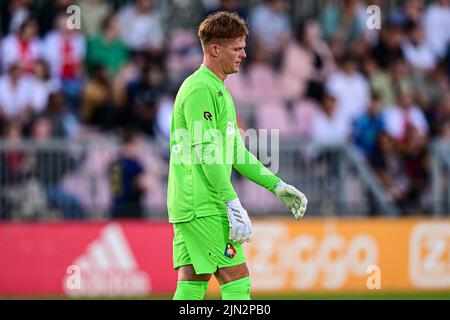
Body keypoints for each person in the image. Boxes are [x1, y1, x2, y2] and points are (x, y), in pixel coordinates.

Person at [166, 11, 308, 301]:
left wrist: (277, 186)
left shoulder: (219, 91)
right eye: (237, 48)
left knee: (193, 281)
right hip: (203, 203)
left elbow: (236, 153)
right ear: (215, 49)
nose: (244, 54)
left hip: (196, 202)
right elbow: (207, 152)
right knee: (236, 279)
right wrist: (231, 202)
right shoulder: (200, 89)